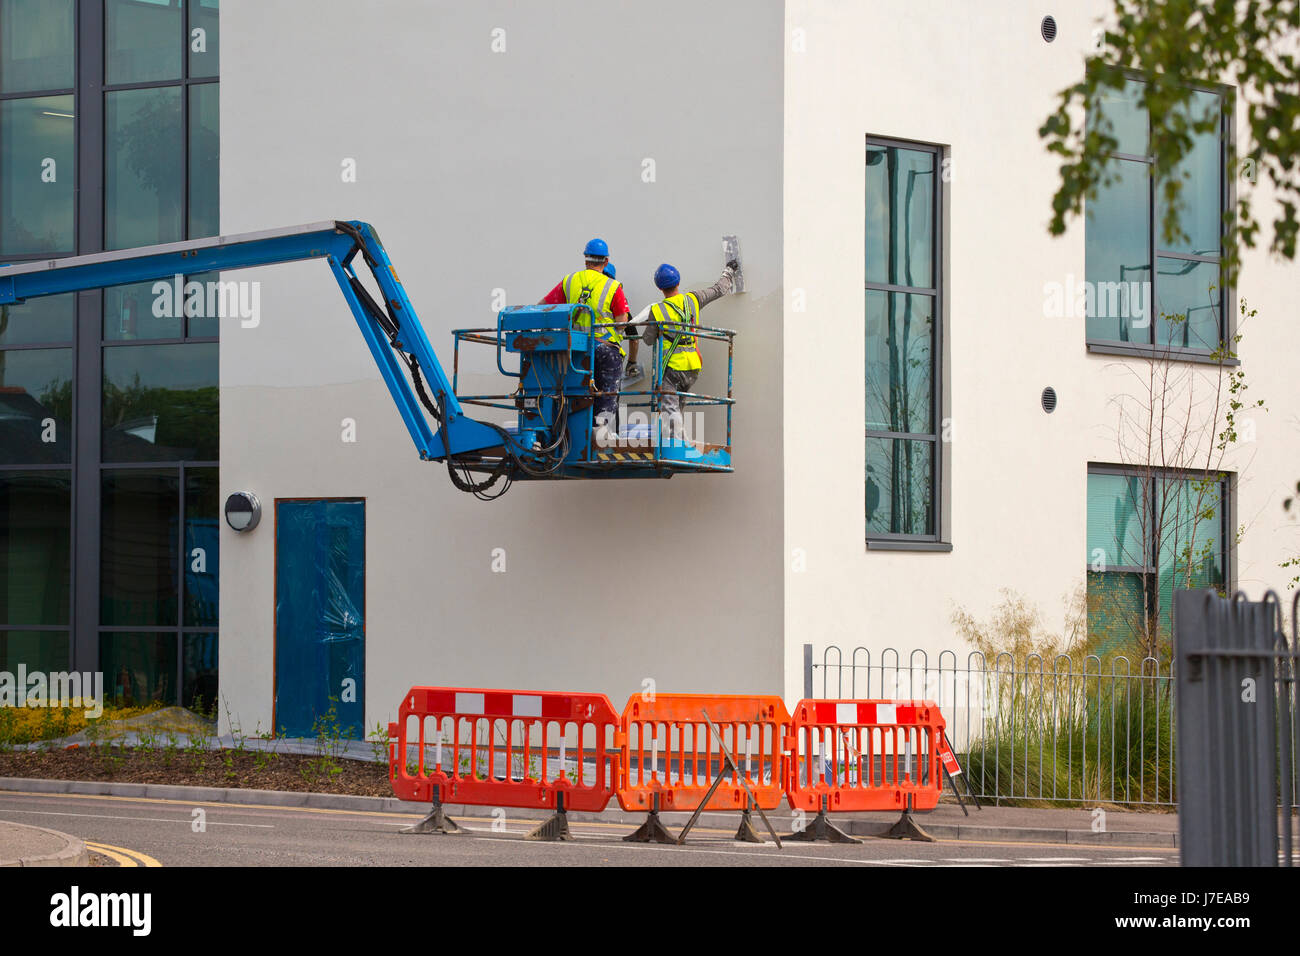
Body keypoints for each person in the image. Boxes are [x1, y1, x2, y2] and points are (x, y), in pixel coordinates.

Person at [638, 259, 739, 442]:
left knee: (670, 407)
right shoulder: (693, 299)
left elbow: (647, 340)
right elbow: (719, 289)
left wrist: (650, 322)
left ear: (660, 288)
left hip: (672, 369)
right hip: (693, 366)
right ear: (678, 282)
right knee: (677, 407)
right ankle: (676, 440)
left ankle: (679, 444)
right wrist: (729, 270)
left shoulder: (657, 310)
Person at [539, 239, 630, 439]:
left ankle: (566, 430)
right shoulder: (612, 286)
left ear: (585, 259)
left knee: (575, 389)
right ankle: (602, 427)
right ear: (606, 261)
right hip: (604, 348)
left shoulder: (569, 281)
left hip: (574, 348)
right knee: (608, 387)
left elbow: (543, 306)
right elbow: (622, 322)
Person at [607, 261, 645, 387]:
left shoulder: (584, 294)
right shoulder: (616, 297)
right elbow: (633, 337)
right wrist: (631, 362)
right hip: (608, 354)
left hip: (580, 353)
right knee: (609, 396)